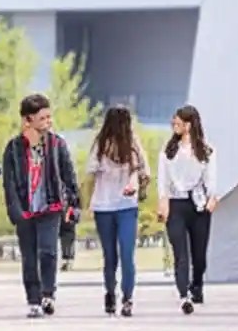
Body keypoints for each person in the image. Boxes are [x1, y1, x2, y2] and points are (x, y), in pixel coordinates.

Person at [3, 94, 79, 319]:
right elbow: (8, 183)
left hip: (50, 206)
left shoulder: (57, 145)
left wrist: (73, 204)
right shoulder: (14, 148)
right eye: (42, 118)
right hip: (25, 210)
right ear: (28, 120)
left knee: (48, 251)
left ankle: (48, 294)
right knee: (29, 256)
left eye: (49, 117)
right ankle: (33, 300)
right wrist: (16, 211)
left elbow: (69, 176)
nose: (48, 121)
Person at [83, 105, 148, 317]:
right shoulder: (100, 145)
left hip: (125, 206)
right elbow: (90, 172)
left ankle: (126, 297)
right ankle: (111, 293)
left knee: (124, 254)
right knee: (112, 255)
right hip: (105, 206)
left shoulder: (133, 144)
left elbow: (145, 171)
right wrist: (88, 203)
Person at [157, 105, 217, 315]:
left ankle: (197, 284)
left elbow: (211, 179)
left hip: (198, 205)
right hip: (176, 204)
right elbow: (162, 181)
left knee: (199, 256)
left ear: (188, 125)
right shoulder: (167, 152)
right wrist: (162, 202)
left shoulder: (206, 150)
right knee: (180, 253)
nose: (174, 124)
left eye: (178, 121)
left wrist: (212, 198)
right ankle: (184, 296)